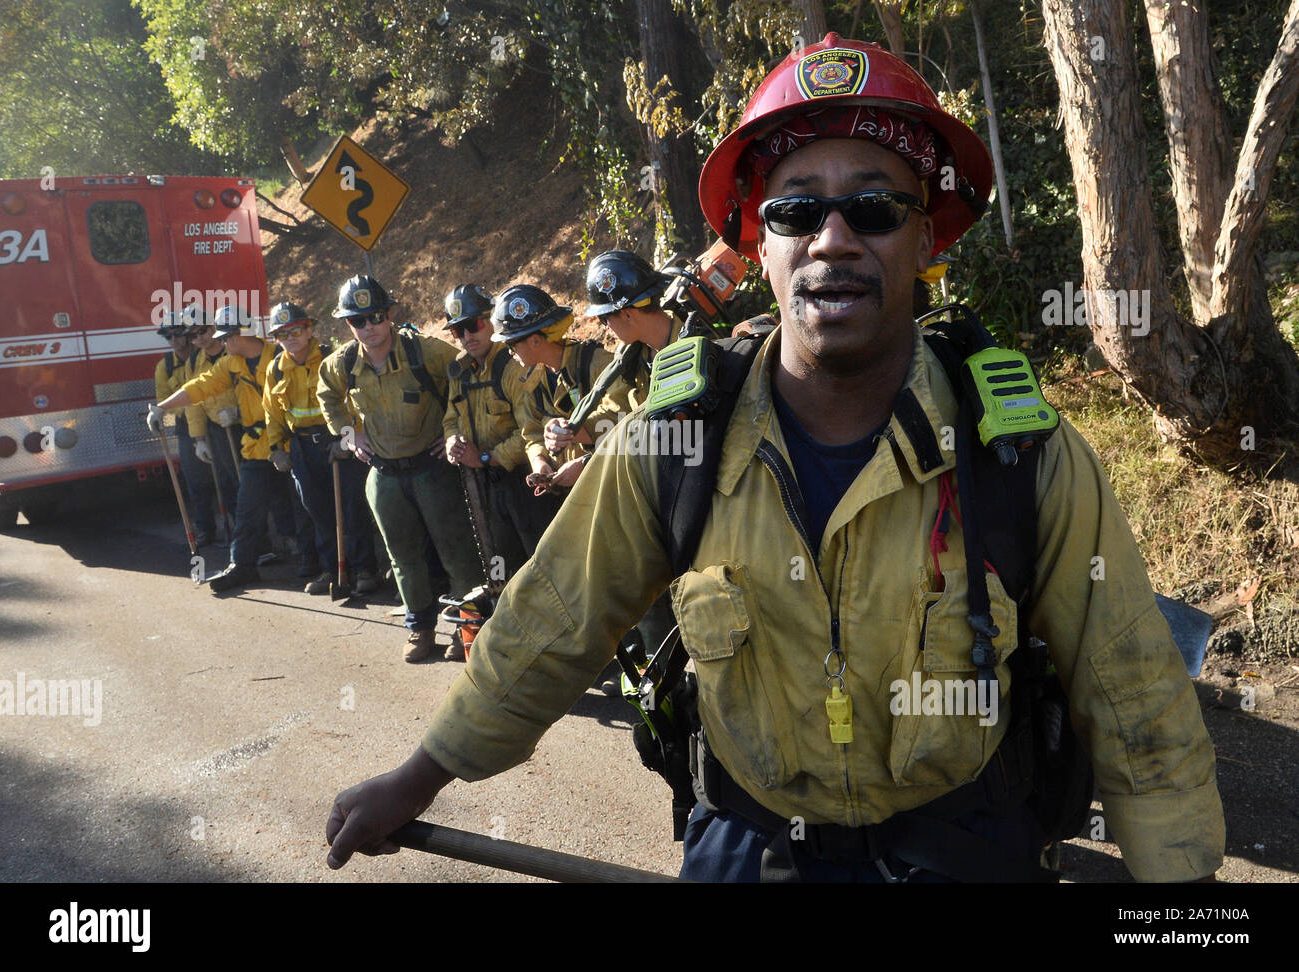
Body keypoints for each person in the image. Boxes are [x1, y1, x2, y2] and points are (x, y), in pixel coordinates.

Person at [325, 34, 1224, 883]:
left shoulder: (1022, 452)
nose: (834, 238)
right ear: (759, 243)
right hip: (750, 842)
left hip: (963, 837)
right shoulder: (674, 446)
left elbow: (1134, 691)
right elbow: (546, 625)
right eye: (798, 209)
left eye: (875, 206)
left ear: (927, 239)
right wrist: (419, 776)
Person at [317, 274, 483, 662]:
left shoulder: (425, 352)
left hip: (432, 468)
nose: (369, 327)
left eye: (375, 316)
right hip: (384, 475)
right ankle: (420, 631)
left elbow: (469, 376)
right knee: (403, 560)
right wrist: (348, 435)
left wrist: (455, 429)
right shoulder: (342, 362)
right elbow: (327, 395)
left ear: (390, 314)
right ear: (348, 325)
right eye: (358, 321)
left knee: (458, 553)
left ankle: (470, 632)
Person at [152, 304, 306, 592]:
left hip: (290, 442)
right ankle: (242, 565)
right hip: (255, 447)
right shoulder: (231, 363)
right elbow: (201, 386)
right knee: (247, 509)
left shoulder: (279, 357)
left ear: (240, 334)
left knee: (304, 505)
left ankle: (317, 562)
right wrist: (163, 408)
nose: (221, 343)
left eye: (225, 338)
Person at [263, 301, 380, 596]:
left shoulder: (334, 358)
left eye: (296, 330)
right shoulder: (275, 369)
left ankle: (365, 570)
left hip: (337, 442)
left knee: (352, 507)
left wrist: (346, 439)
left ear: (309, 329)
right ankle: (332, 570)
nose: (290, 338)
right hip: (302, 447)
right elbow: (272, 413)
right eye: (282, 334)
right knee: (318, 511)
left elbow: (354, 400)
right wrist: (276, 448)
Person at [441, 284, 554, 582]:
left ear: (491, 319)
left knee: (540, 564)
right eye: (458, 331)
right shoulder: (460, 369)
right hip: (484, 487)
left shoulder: (515, 365)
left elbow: (532, 431)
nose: (467, 337)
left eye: (473, 325)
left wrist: (488, 458)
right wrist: (452, 440)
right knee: (500, 566)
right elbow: (451, 417)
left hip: (525, 483)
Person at [542, 250, 676, 464]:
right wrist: (569, 430)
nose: (605, 326)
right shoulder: (633, 355)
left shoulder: (693, 343)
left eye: (605, 318)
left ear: (627, 314)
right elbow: (616, 413)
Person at [508, 284, 615, 496]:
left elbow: (626, 422)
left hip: (611, 479)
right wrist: (540, 463)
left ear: (536, 340)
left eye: (512, 343)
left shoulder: (597, 364)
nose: (510, 352)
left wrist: (573, 434)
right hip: (579, 492)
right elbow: (532, 434)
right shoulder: (534, 381)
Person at [153, 308, 215, 546]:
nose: (173, 341)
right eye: (167, 337)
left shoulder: (202, 357)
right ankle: (205, 530)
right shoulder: (164, 366)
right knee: (196, 482)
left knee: (227, 479)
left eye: (177, 334)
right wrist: (187, 410)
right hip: (186, 426)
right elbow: (164, 399)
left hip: (215, 421)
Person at [184, 316, 241, 539]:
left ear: (213, 327)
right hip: (218, 430)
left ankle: (277, 536)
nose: (200, 338)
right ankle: (244, 535)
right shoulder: (194, 362)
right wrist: (198, 439)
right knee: (228, 485)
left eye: (203, 330)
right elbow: (192, 400)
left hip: (244, 426)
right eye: (193, 335)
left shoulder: (233, 351)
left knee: (250, 483)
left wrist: (238, 413)